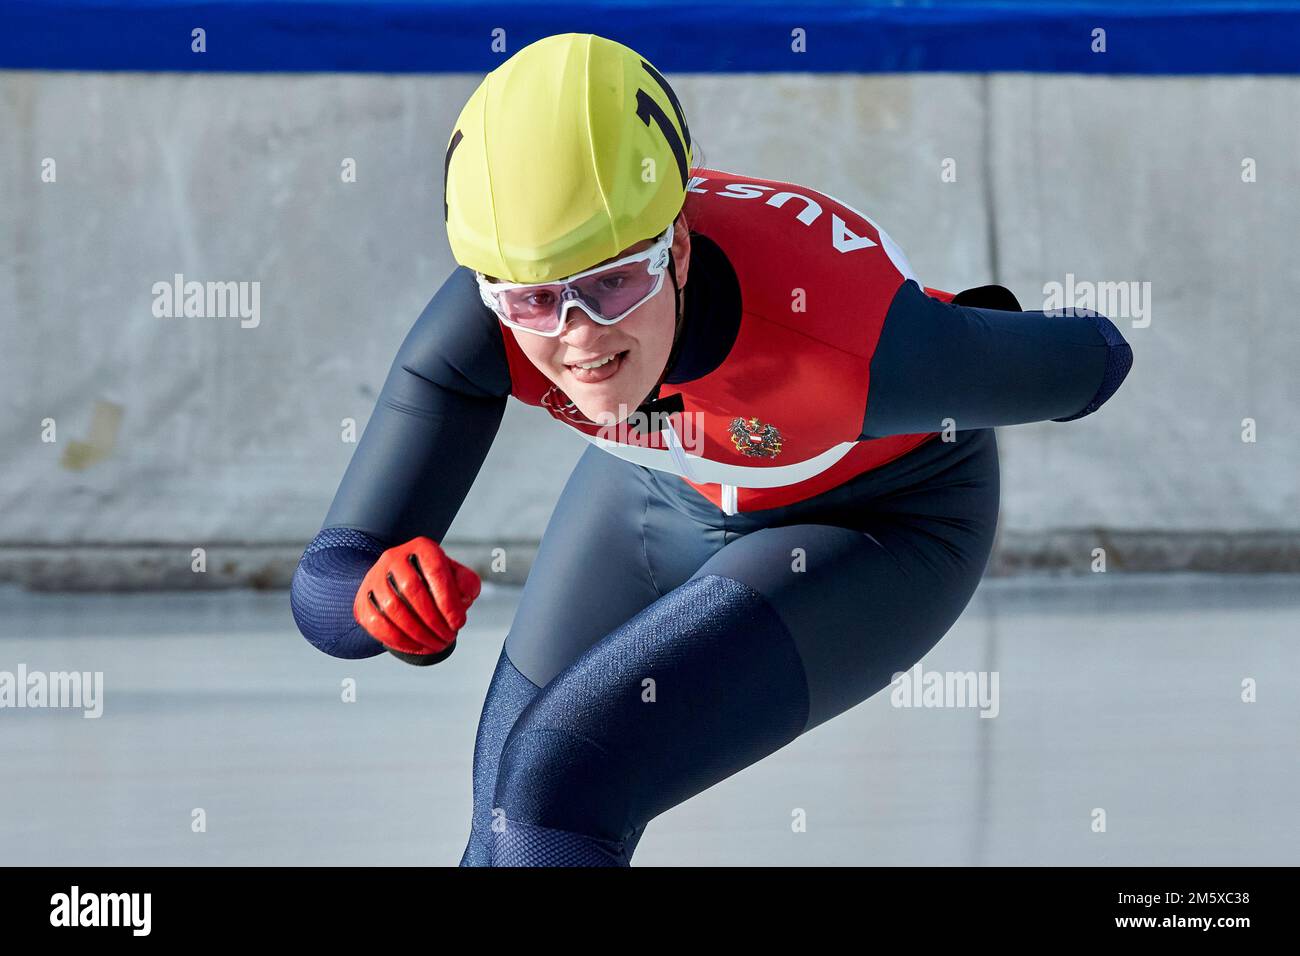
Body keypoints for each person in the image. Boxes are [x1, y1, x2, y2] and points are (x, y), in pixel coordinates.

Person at [290, 32, 1133, 866]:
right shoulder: (484, 322)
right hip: (660, 495)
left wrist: (956, 348)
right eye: (537, 301)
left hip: (878, 520)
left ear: (679, 248)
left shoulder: (850, 349)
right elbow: (328, 579)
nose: (580, 334)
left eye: (613, 282)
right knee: (508, 829)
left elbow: (1097, 359)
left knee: (557, 779)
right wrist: (376, 602)